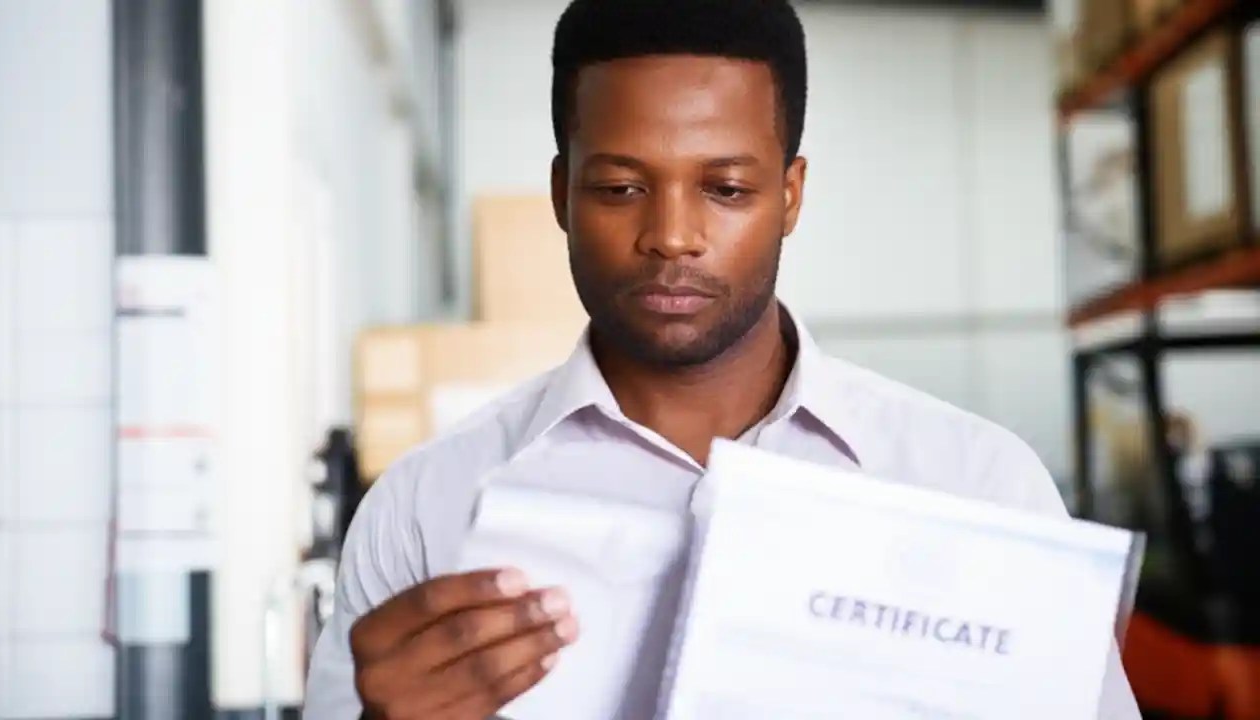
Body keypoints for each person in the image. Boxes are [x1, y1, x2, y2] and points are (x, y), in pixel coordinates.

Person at [304, 1, 1140, 718]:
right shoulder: (425, 509)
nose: (672, 234)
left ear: (790, 195)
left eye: (727, 189)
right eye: (620, 187)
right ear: (561, 195)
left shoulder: (978, 487)